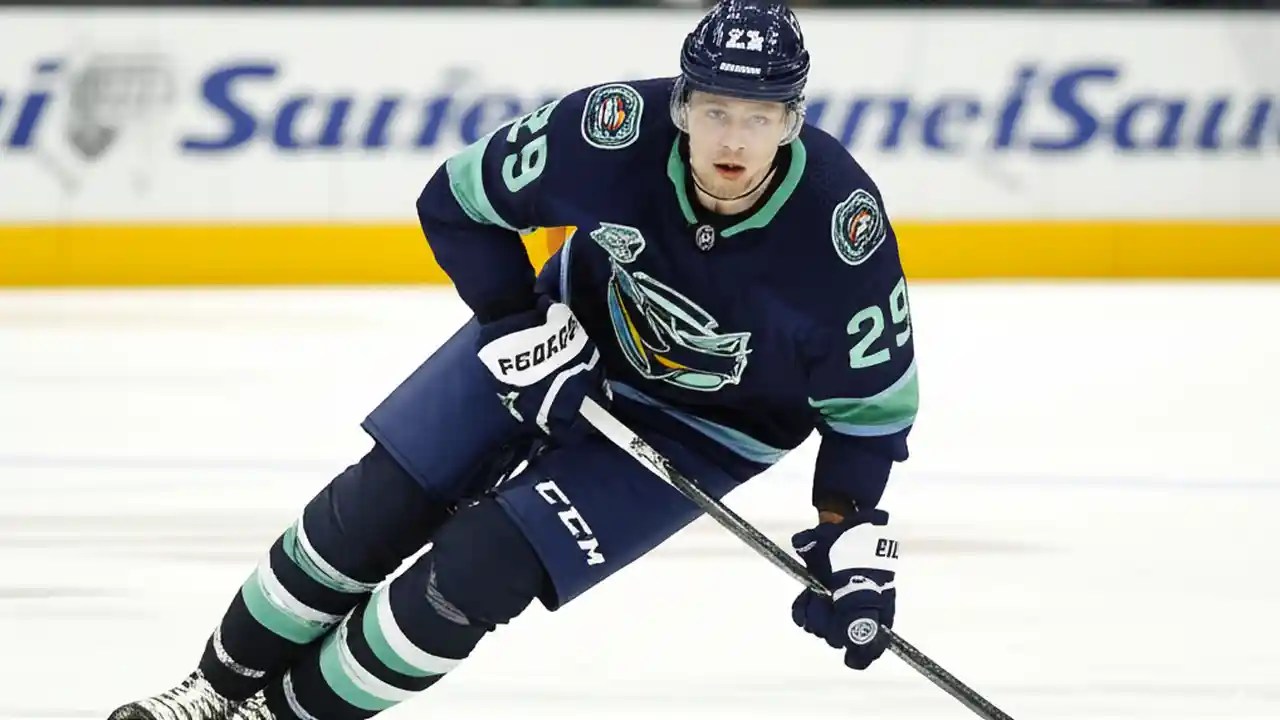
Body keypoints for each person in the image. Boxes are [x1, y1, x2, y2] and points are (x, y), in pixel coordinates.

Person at [107, 2, 918, 718]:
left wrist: (845, 527)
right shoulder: (609, 130)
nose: (732, 138)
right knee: (375, 508)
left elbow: (872, 408)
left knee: (474, 573)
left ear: (793, 119)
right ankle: (211, 691)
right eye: (714, 110)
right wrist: (511, 322)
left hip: (707, 430)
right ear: (681, 102)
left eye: (758, 115)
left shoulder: (840, 232)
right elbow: (456, 201)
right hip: (560, 332)